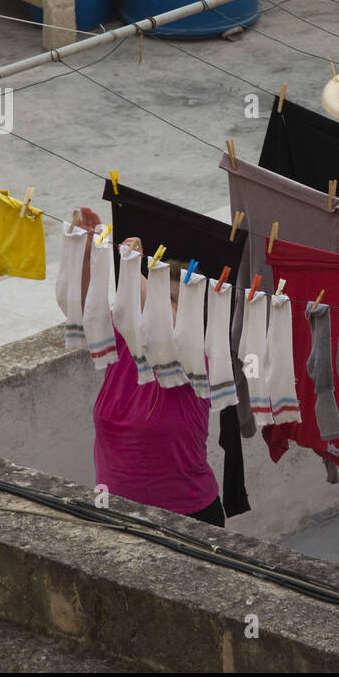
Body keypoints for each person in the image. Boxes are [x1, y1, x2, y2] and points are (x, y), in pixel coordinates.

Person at [71, 207, 224, 526]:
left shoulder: (196, 357)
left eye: (170, 297)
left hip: (188, 517)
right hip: (111, 511)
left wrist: (132, 269)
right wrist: (87, 254)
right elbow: (87, 307)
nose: (153, 303)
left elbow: (165, 326)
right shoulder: (125, 341)